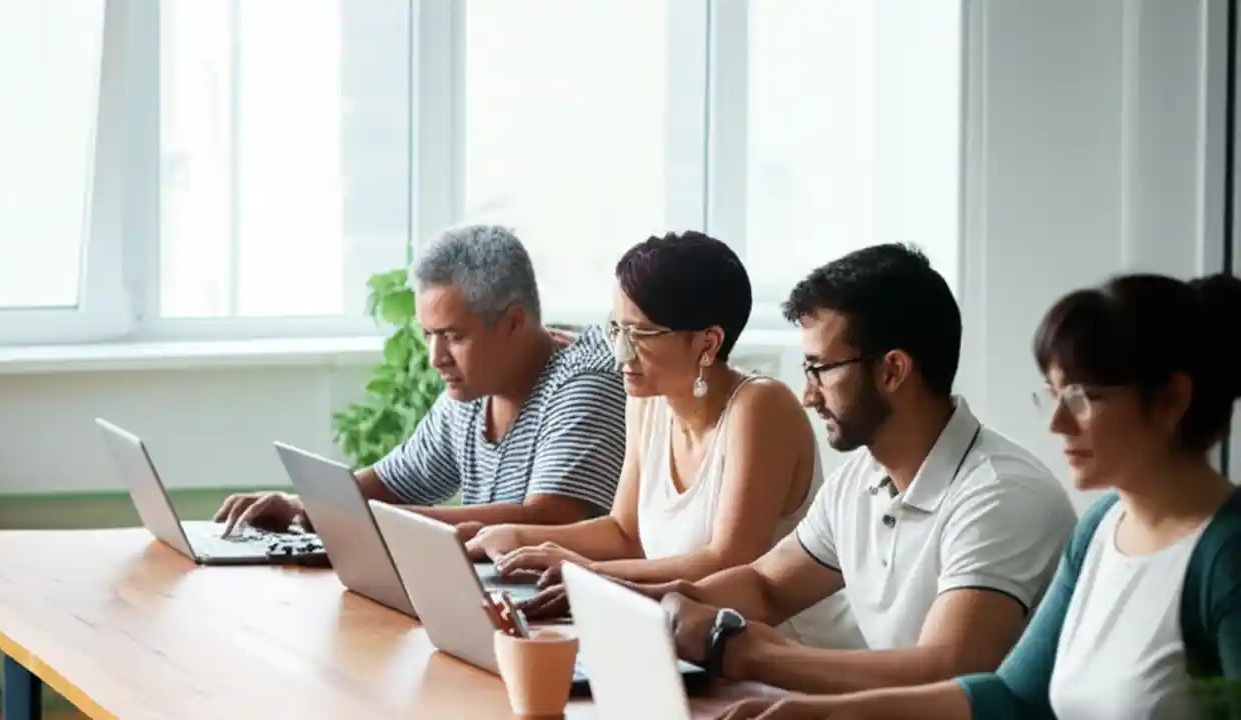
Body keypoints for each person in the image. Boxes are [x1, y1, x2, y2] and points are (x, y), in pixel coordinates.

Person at [719, 272, 1241, 720]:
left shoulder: (1226, 556)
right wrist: (831, 712)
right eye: (1054, 395)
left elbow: (959, 666)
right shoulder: (1105, 524)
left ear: (1171, 400)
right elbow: (1013, 693)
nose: (1057, 422)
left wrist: (766, 659)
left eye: (1083, 398)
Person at [635, 244, 1076, 695]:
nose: (808, 395)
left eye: (819, 370)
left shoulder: (1001, 497)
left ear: (893, 371)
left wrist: (754, 655)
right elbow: (767, 585)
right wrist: (653, 601)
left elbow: (946, 670)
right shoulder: (860, 479)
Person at [464, 232, 857, 647]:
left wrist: (586, 573)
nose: (620, 352)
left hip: (788, 651)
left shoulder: (760, 406)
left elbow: (728, 559)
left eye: (642, 334)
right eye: (616, 327)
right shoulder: (649, 400)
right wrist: (516, 537)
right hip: (689, 639)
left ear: (708, 342)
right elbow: (625, 533)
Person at [213, 225, 627, 539]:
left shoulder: (584, 382)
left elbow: (549, 520)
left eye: (454, 336)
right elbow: (392, 483)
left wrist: (347, 518)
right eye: (429, 335)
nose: (435, 358)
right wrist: (302, 505)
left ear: (515, 322)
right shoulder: (474, 389)